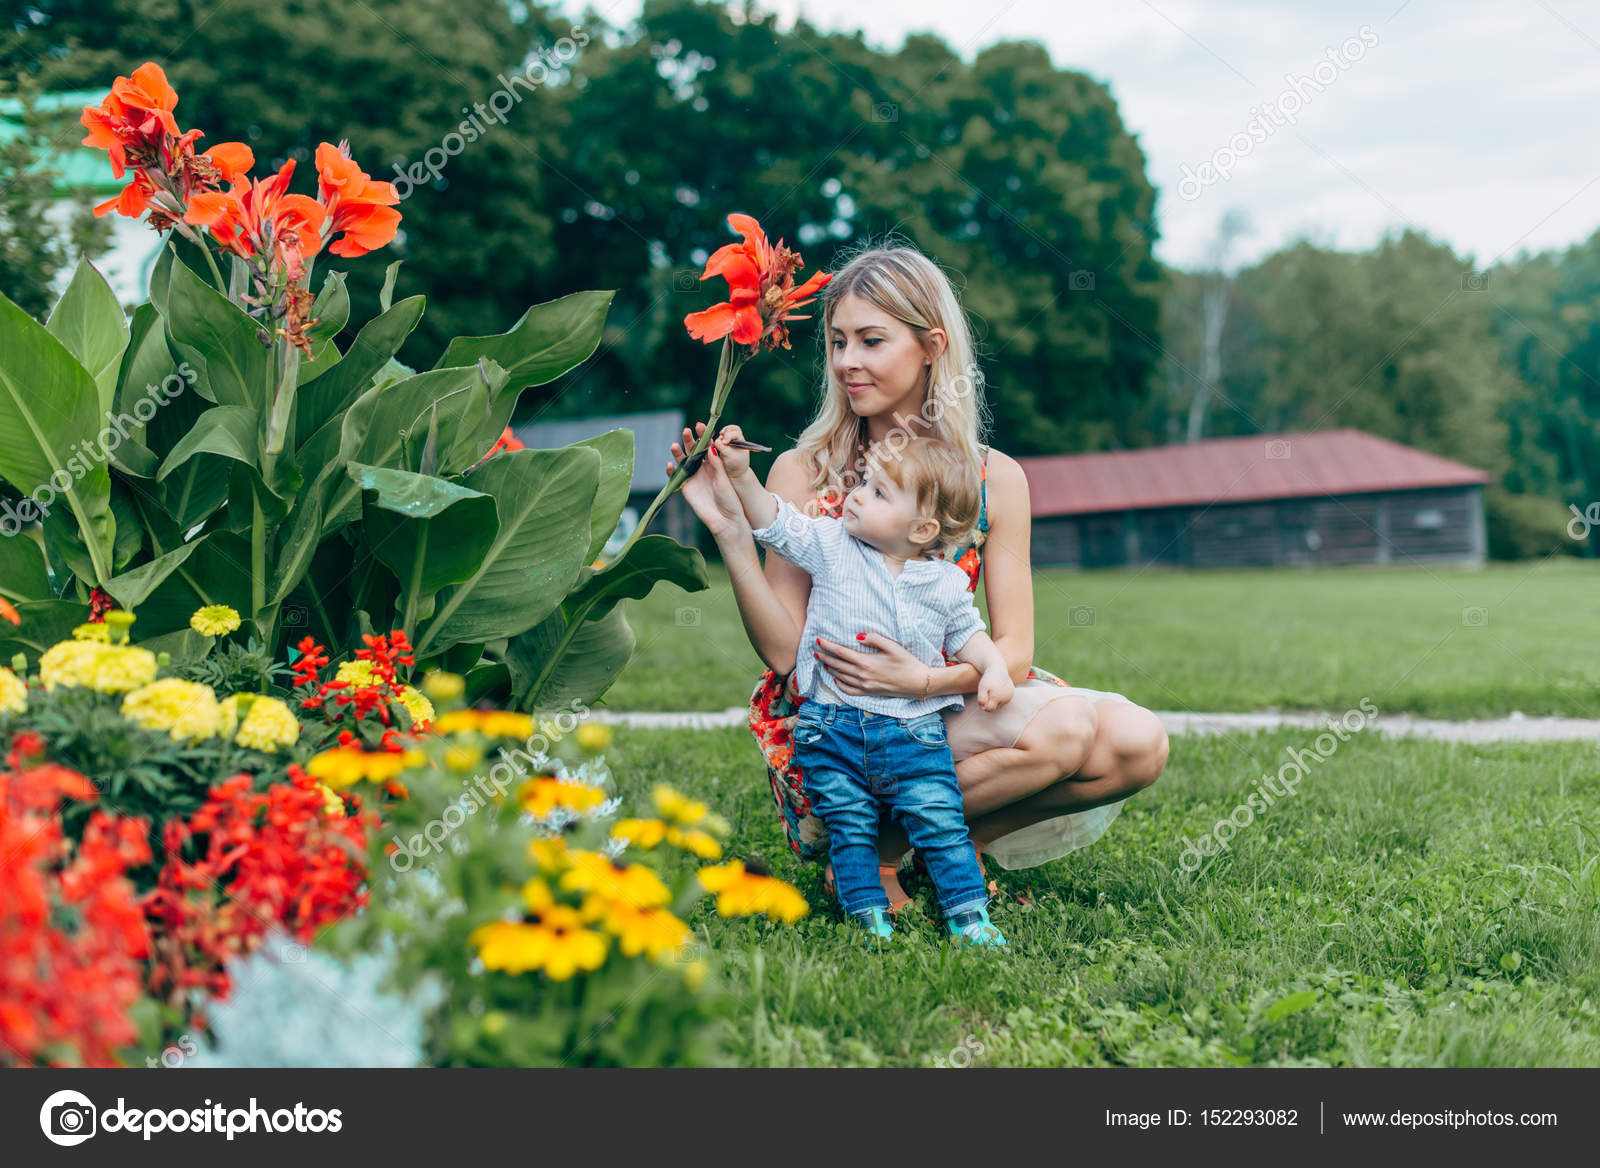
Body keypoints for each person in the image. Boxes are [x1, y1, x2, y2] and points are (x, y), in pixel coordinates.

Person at [666, 243, 1169, 909]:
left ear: (932, 345)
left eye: (872, 341)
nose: (848, 361)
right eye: (838, 341)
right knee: (1064, 731)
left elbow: (1013, 651)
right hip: (840, 720)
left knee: (1140, 744)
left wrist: (925, 679)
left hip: (948, 696)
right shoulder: (802, 471)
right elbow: (787, 656)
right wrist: (732, 529)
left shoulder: (995, 479)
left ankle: (939, 847)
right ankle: (868, 858)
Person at [707, 425, 1010, 945]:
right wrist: (741, 478)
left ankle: (969, 916)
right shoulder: (831, 544)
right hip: (832, 729)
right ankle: (866, 916)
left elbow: (970, 635)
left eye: (876, 492)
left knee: (941, 823)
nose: (854, 496)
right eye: (863, 482)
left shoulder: (944, 583)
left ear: (921, 529)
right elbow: (777, 524)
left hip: (915, 735)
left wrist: (996, 669)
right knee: (851, 829)